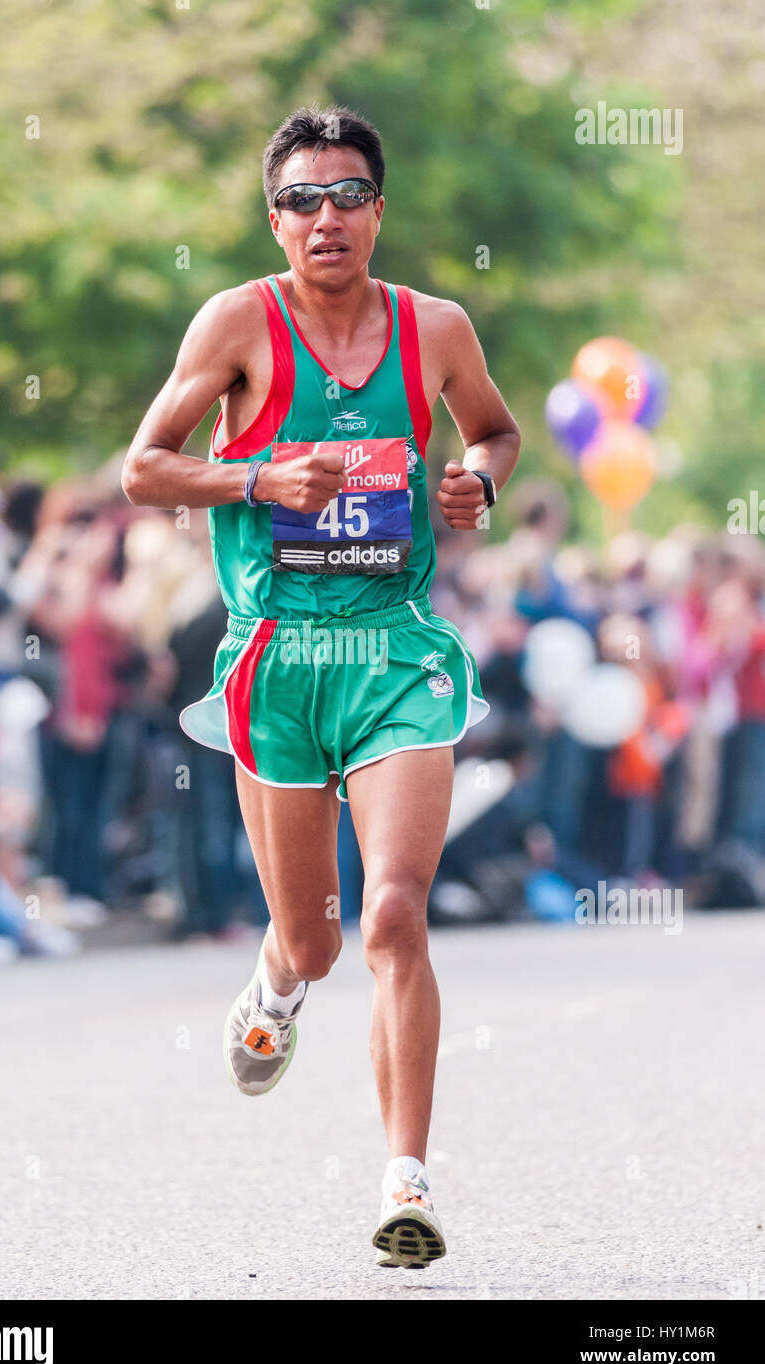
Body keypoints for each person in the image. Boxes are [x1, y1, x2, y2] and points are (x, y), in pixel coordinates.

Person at [123, 105, 520, 1268]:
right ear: (273, 217)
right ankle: (276, 981)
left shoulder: (434, 328)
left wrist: (474, 487)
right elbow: (146, 468)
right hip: (277, 659)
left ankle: (406, 1180)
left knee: (394, 909)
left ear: (378, 211)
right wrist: (257, 480)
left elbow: (491, 434)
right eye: (301, 198)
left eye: (346, 194)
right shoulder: (237, 320)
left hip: (394, 652)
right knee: (316, 936)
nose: (325, 216)